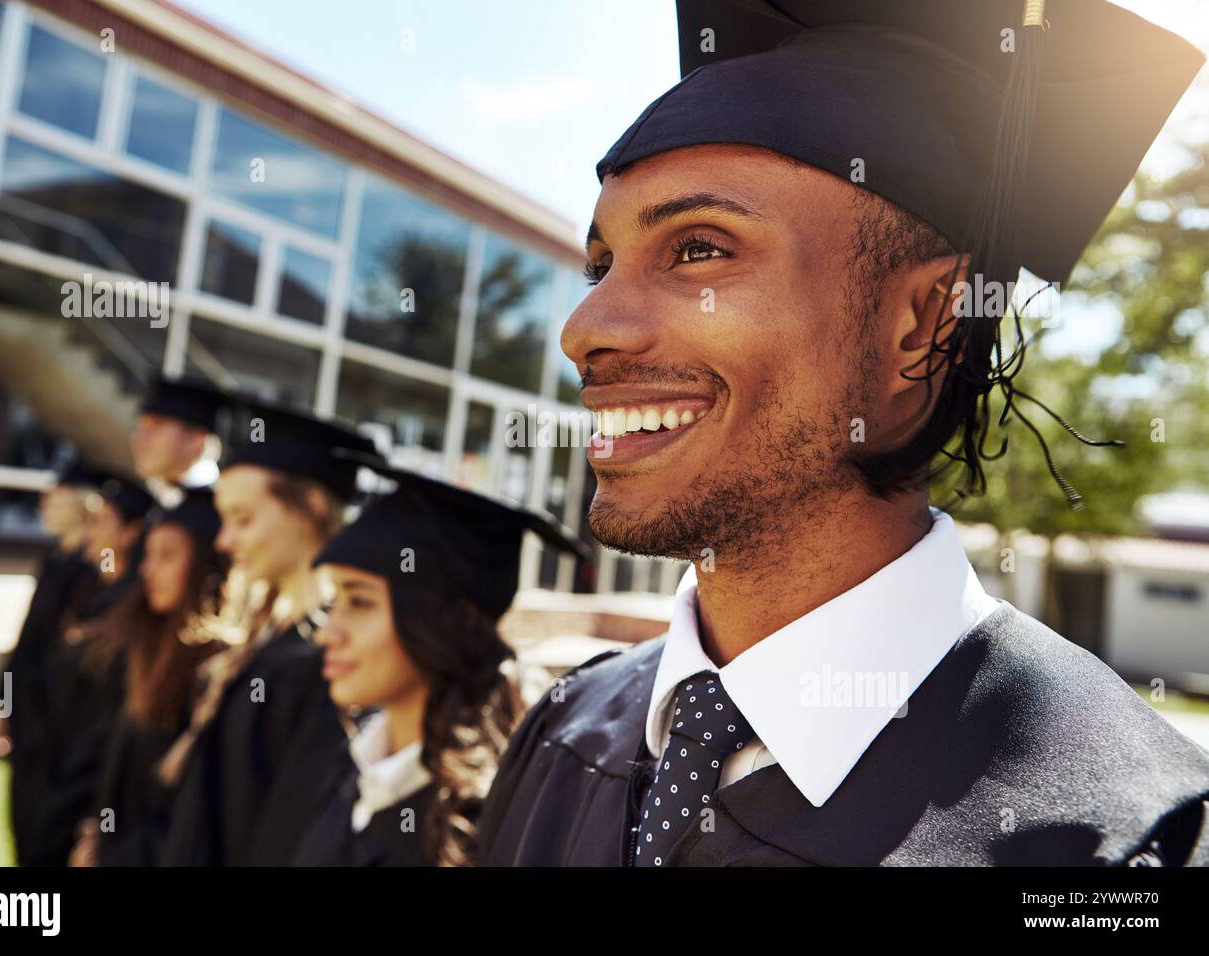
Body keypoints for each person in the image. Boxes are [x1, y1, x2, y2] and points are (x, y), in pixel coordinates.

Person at [475, 0, 1209, 866]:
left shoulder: (1112, 840)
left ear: (921, 324)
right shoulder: (568, 725)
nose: (584, 328)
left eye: (700, 249)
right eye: (601, 265)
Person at [292, 453, 585, 867]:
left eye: (358, 601)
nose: (326, 631)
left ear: (435, 623)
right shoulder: (348, 767)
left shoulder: (487, 822)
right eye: (333, 600)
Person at [159, 400, 377, 866]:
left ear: (311, 508)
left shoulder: (327, 658)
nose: (224, 542)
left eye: (244, 519)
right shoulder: (269, 636)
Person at [66, 491, 229, 867]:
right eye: (150, 555)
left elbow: (189, 811)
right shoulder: (147, 648)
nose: (147, 569)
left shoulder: (214, 670)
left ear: (207, 561)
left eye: (167, 556)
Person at [35, 472, 155, 866]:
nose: (90, 531)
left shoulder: (136, 615)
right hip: (56, 761)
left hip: (86, 783)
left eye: (101, 520)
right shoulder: (85, 587)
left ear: (132, 533)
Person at [7, 459, 105, 866]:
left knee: (50, 831)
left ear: (84, 504)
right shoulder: (55, 559)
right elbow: (28, 640)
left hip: (65, 723)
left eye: (58, 495)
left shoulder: (95, 571)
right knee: (24, 821)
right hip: (29, 714)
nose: (46, 502)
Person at [131, 375, 227, 508]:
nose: (138, 439)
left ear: (197, 440)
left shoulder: (219, 506)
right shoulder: (153, 497)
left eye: (154, 428)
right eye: (140, 428)